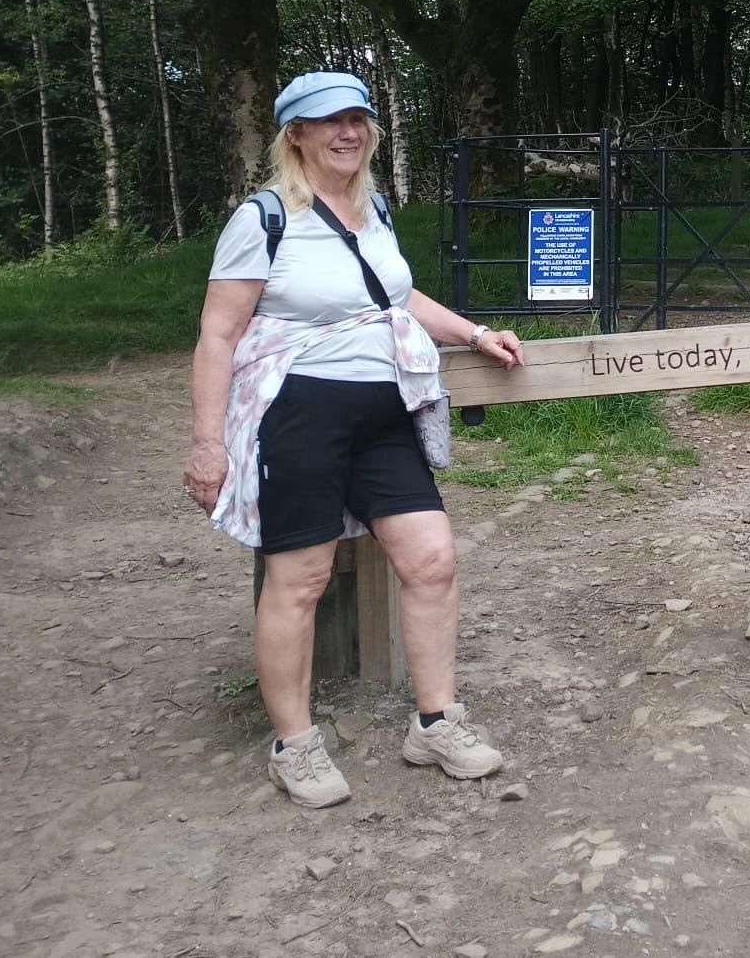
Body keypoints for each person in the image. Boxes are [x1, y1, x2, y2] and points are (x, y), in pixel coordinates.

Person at [184, 71, 526, 808]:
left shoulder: (374, 210)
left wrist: (474, 333)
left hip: (383, 415)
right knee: (301, 578)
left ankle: (436, 723)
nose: (348, 132)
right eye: (329, 121)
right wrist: (208, 443)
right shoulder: (264, 218)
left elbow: (395, 297)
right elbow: (217, 335)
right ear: (296, 135)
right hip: (298, 413)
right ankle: (295, 745)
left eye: (358, 119)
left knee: (432, 560)